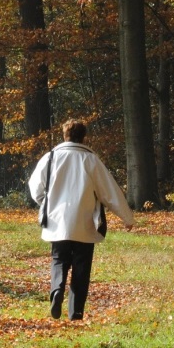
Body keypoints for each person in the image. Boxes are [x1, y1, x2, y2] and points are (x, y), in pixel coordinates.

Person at [28, 119, 135, 320]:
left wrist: (45, 202)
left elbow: (35, 187)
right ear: (83, 136)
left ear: (64, 135)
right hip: (85, 222)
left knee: (59, 259)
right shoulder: (91, 160)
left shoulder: (51, 157)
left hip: (57, 221)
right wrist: (126, 217)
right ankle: (75, 312)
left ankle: (57, 290)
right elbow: (109, 192)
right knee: (82, 266)